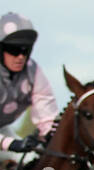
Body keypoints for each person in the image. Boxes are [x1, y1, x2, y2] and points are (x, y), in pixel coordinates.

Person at [0, 12, 58, 158]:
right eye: (14, 50)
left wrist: (47, 136)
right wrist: (12, 144)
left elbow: (47, 116)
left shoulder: (33, 71)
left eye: (26, 50)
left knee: (28, 162)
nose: (20, 56)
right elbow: (10, 144)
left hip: (2, 130)